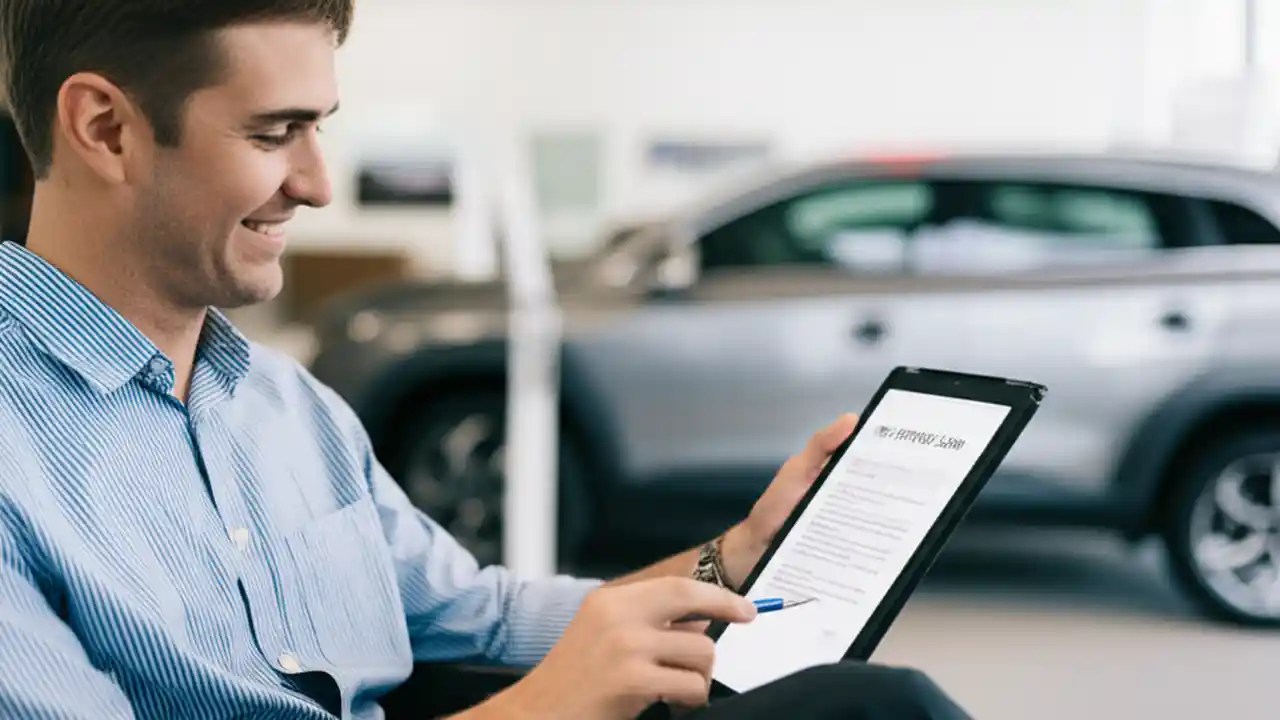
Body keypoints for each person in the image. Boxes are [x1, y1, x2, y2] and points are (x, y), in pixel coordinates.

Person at [0, 2, 971, 719]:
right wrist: (542, 709)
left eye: (318, 128)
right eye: (273, 132)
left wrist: (738, 555)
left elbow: (483, 616)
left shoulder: (290, 408)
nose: (318, 183)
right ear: (106, 129)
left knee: (872, 706)